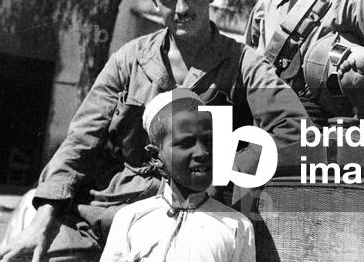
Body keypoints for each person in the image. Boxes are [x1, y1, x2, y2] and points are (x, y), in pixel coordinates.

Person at [0, 0, 306, 262]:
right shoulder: (129, 60)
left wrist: (224, 171)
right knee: (39, 252)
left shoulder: (243, 63)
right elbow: (82, 138)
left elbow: (293, 129)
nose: (181, 9)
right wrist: (44, 215)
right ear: (154, 1)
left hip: (200, 207)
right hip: (115, 205)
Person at [100, 89, 256, 262]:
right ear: (155, 157)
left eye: (209, 141)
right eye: (186, 143)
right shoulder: (131, 219)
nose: (202, 152)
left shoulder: (236, 226)